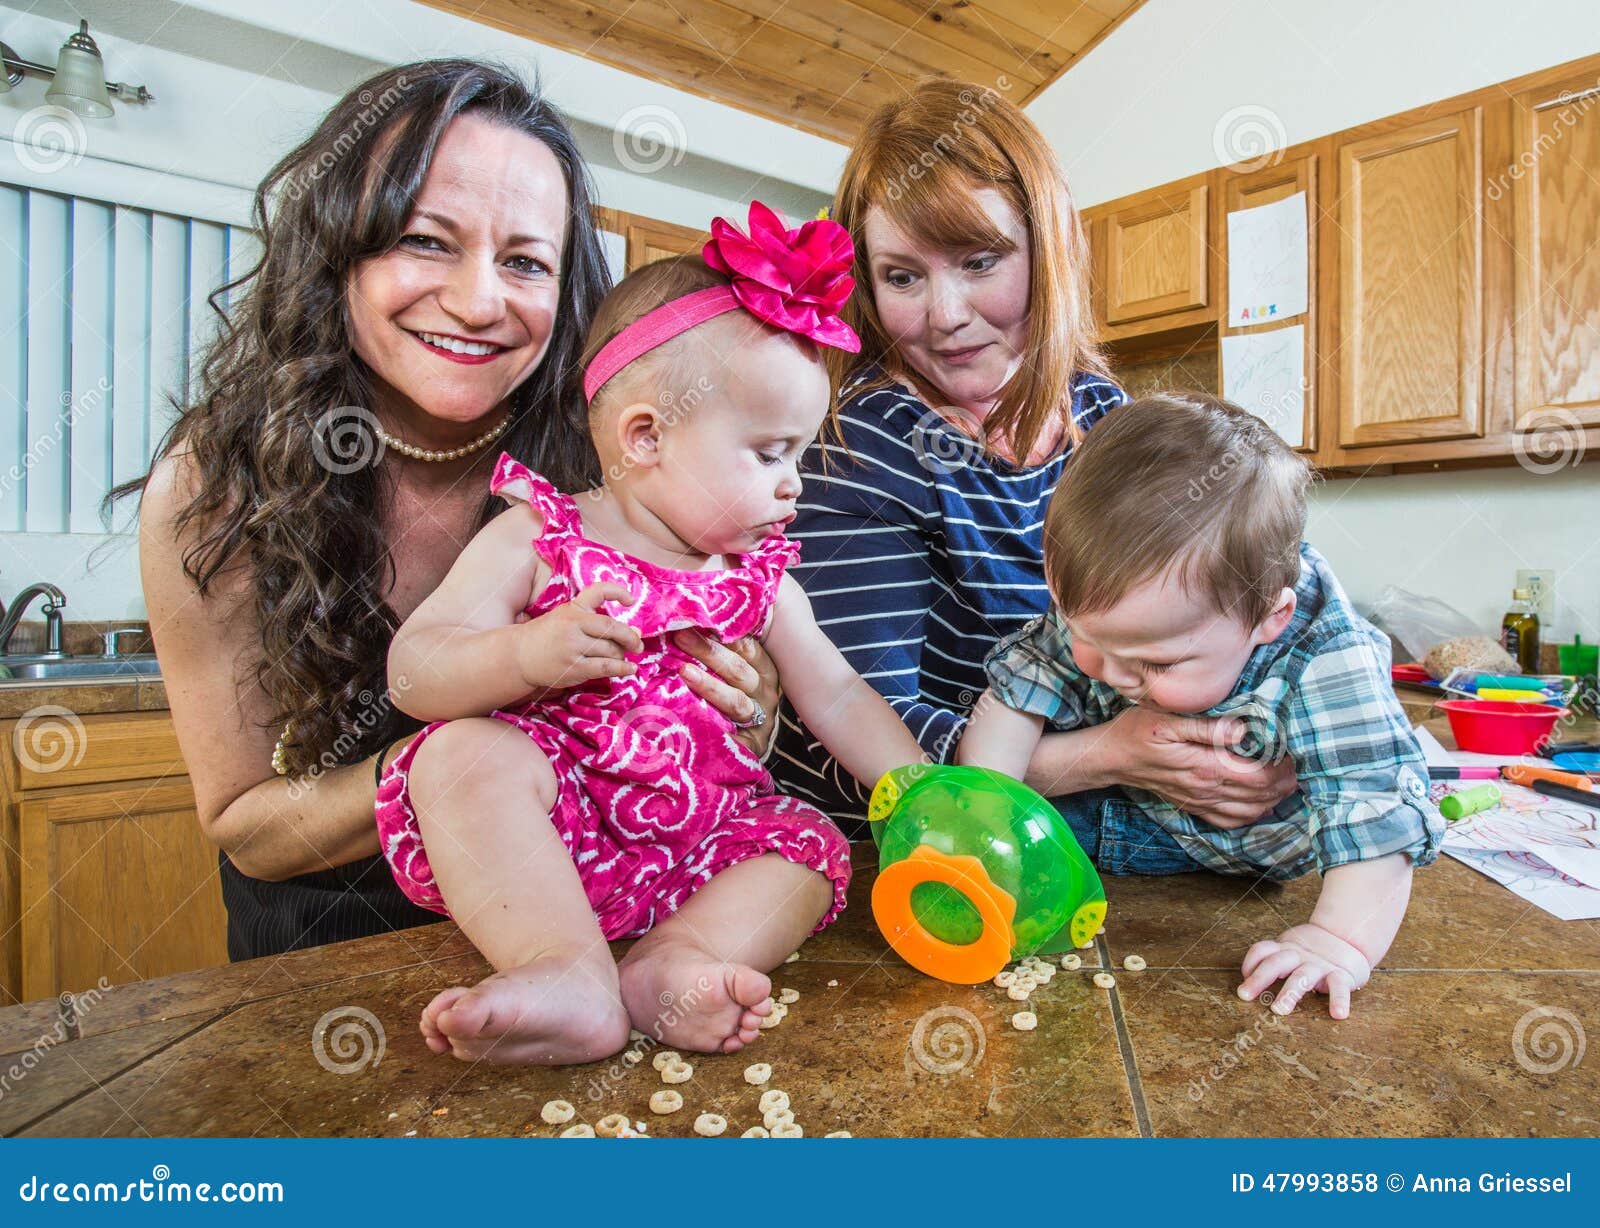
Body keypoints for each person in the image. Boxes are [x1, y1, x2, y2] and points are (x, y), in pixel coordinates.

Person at [117, 61, 780, 961]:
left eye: (524, 262)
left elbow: (729, 698)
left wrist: (746, 704)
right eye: (427, 241)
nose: (478, 302)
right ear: (337, 252)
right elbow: (249, 826)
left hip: (609, 933)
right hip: (334, 959)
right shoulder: (218, 490)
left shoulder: (614, 464)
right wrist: (446, 765)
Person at [376, 205, 927, 1064]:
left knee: (813, 846)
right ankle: (563, 968)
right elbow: (414, 672)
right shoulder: (540, 537)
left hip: (710, 842)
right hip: (559, 839)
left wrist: (920, 790)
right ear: (646, 438)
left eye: (800, 456)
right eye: (771, 453)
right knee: (459, 758)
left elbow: (839, 690)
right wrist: (520, 654)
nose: (794, 489)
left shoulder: (760, 575)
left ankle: (676, 961)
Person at [771, 78, 1299, 838]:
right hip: (897, 841)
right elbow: (855, 732)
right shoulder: (863, 445)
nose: (945, 316)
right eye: (902, 276)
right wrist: (1111, 754)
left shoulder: (1102, 413)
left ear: (1047, 247)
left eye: (980, 261)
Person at [961, 393, 1445, 1019]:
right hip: (1123, 821)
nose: (1106, 670)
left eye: (1156, 664)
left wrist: (1339, 940)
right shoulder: (1104, 603)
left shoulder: (1331, 656)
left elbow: (1370, 803)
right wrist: (984, 814)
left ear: (1270, 617)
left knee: (1364, 845)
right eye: (1085, 638)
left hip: (1263, 850)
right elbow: (1014, 696)